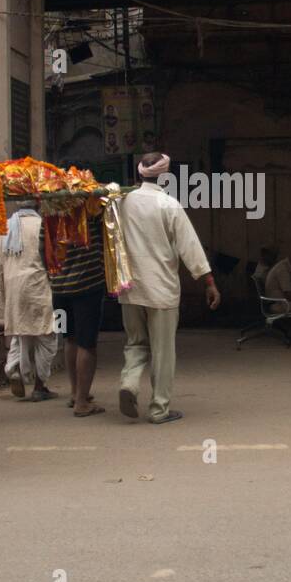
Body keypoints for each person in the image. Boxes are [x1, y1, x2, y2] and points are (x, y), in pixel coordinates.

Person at [115, 152, 220, 423]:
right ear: (165, 176)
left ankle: (129, 382)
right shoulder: (169, 205)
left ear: (139, 174)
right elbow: (190, 247)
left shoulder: (122, 202)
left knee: (135, 343)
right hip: (161, 289)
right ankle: (159, 409)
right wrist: (208, 282)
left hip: (130, 288)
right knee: (163, 352)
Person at [49, 173, 107, 417]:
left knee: (69, 338)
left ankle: (75, 393)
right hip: (87, 288)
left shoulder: (49, 216)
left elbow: (44, 252)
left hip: (58, 290)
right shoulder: (90, 212)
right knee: (87, 343)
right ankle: (82, 402)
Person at [0, 198, 59, 401]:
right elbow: (52, 259)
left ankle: (13, 369)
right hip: (38, 286)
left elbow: (0, 263)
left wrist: (4, 293)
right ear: (38, 204)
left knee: (20, 332)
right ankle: (40, 386)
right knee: (48, 335)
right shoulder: (43, 224)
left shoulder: (5, 226)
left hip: (13, 286)